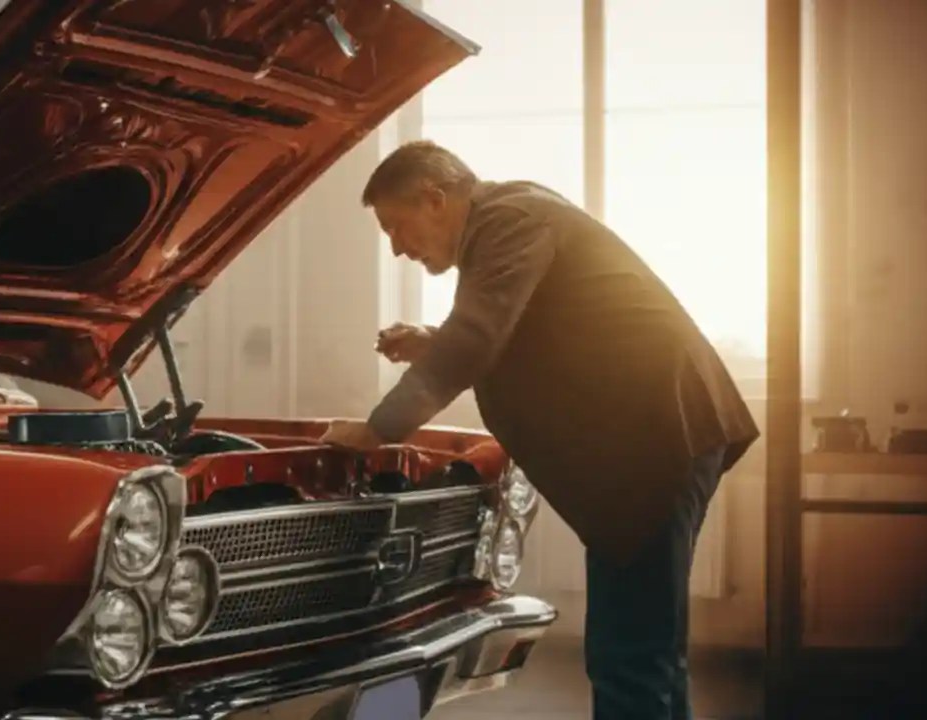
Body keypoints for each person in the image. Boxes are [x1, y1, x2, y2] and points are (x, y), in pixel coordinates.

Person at [319, 140, 760, 720]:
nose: (399, 249)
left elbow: (477, 337)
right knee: (647, 648)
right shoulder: (517, 215)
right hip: (658, 437)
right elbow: (523, 329)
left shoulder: (507, 221)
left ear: (435, 198)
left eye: (398, 228)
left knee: (629, 655)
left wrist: (377, 430)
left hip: (655, 441)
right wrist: (432, 342)